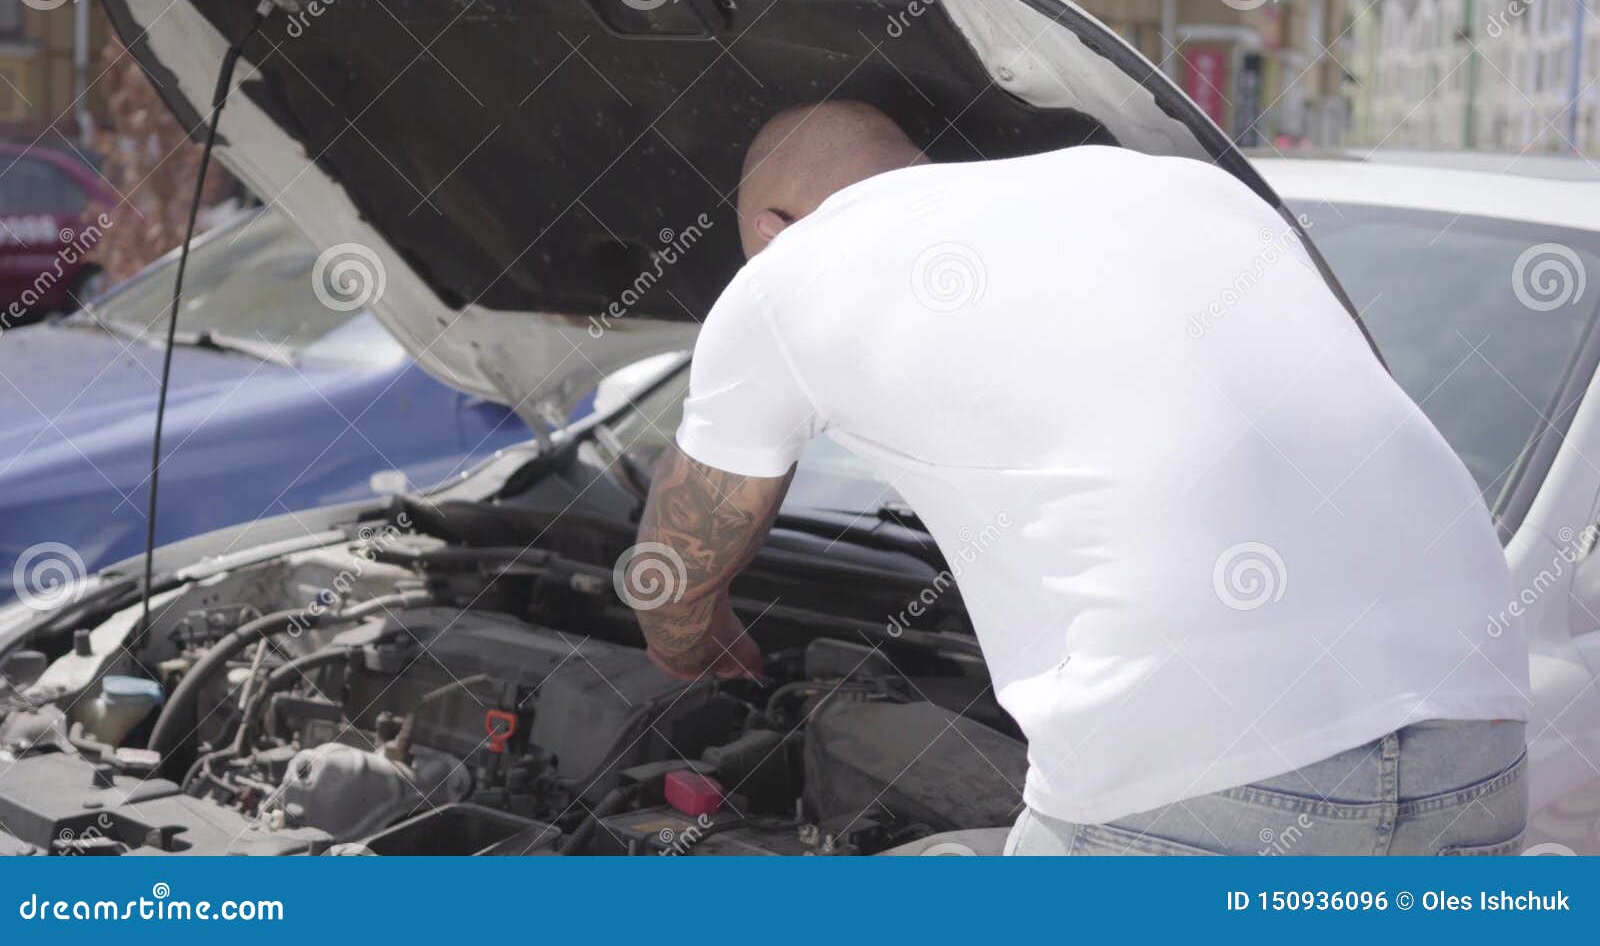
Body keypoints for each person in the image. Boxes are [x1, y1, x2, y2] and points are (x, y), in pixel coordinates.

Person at [624, 101, 1529, 855]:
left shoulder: (789, 274)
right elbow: (1352, 396)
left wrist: (704, 654)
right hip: (1476, 717)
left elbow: (674, 579)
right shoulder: (1191, 187)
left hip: (1201, 763)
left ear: (771, 228)